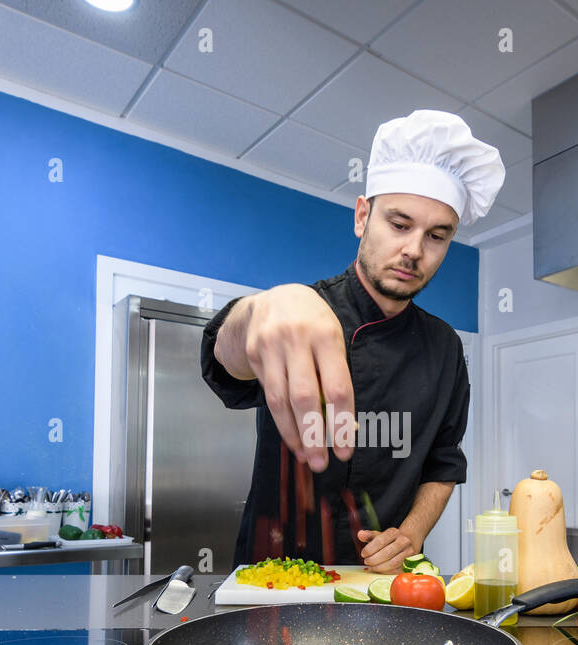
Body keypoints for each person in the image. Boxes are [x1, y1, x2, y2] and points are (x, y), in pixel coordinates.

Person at [200, 110, 504, 573]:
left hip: (380, 583)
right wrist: (255, 312)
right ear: (362, 216)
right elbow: (226, 363)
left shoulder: (444, 349)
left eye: (437, 236)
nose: (414, 250)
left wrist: (412, 534)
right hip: (273, 578)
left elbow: (445, 464)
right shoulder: (301, 314)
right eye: (399, 224)